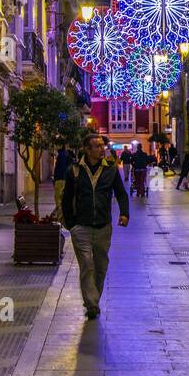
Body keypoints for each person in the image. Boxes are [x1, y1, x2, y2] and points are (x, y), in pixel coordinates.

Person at [61, 133, 129, 320]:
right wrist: (71, 224)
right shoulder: (74, 171)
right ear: (87, 149)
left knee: (100, 266)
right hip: (81, 226)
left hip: (103, 226)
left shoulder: (111, 170)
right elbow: (66, 199)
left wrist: (124, 213)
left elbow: (121, 194)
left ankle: (94, 299)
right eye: (97, 146)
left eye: (102, 146)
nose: (102, 149)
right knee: (87, 265)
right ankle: (91, 303)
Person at [52, 144, 72, 222]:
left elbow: (62, 168)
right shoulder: (64, 154)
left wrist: (57, 178)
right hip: (62, 179)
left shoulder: (62, 155)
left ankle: (61, 219)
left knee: (59, 200)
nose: (55, 146)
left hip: (61, 179)